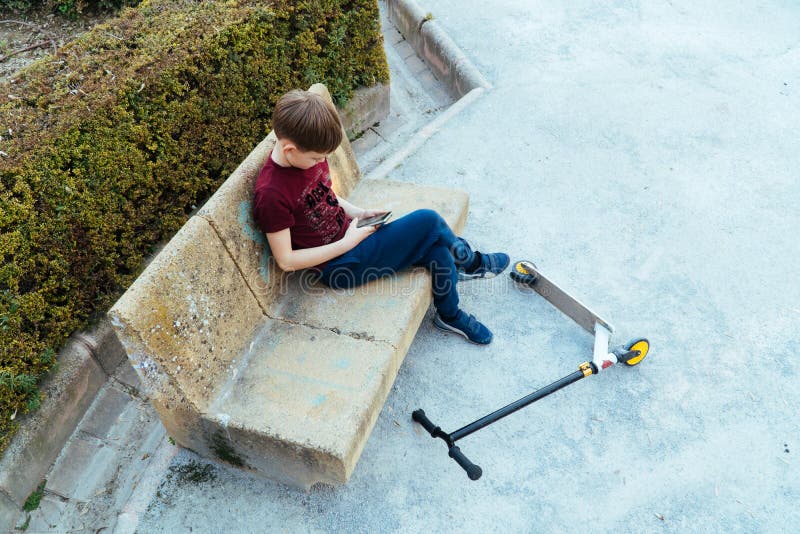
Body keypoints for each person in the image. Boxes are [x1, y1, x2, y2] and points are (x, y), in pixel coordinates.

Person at [253, 89, 509, 344]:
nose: (321, 161)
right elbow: (286, 260)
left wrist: (358, 212)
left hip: (355, 236)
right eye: (316, 158)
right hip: (339, 265)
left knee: (439, 252)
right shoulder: (271, 194)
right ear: (289, 149)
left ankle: (450, 315)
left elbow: (324, 194)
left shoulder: (305, 154)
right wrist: (347, 243)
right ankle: (471, 262)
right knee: (428, 221)